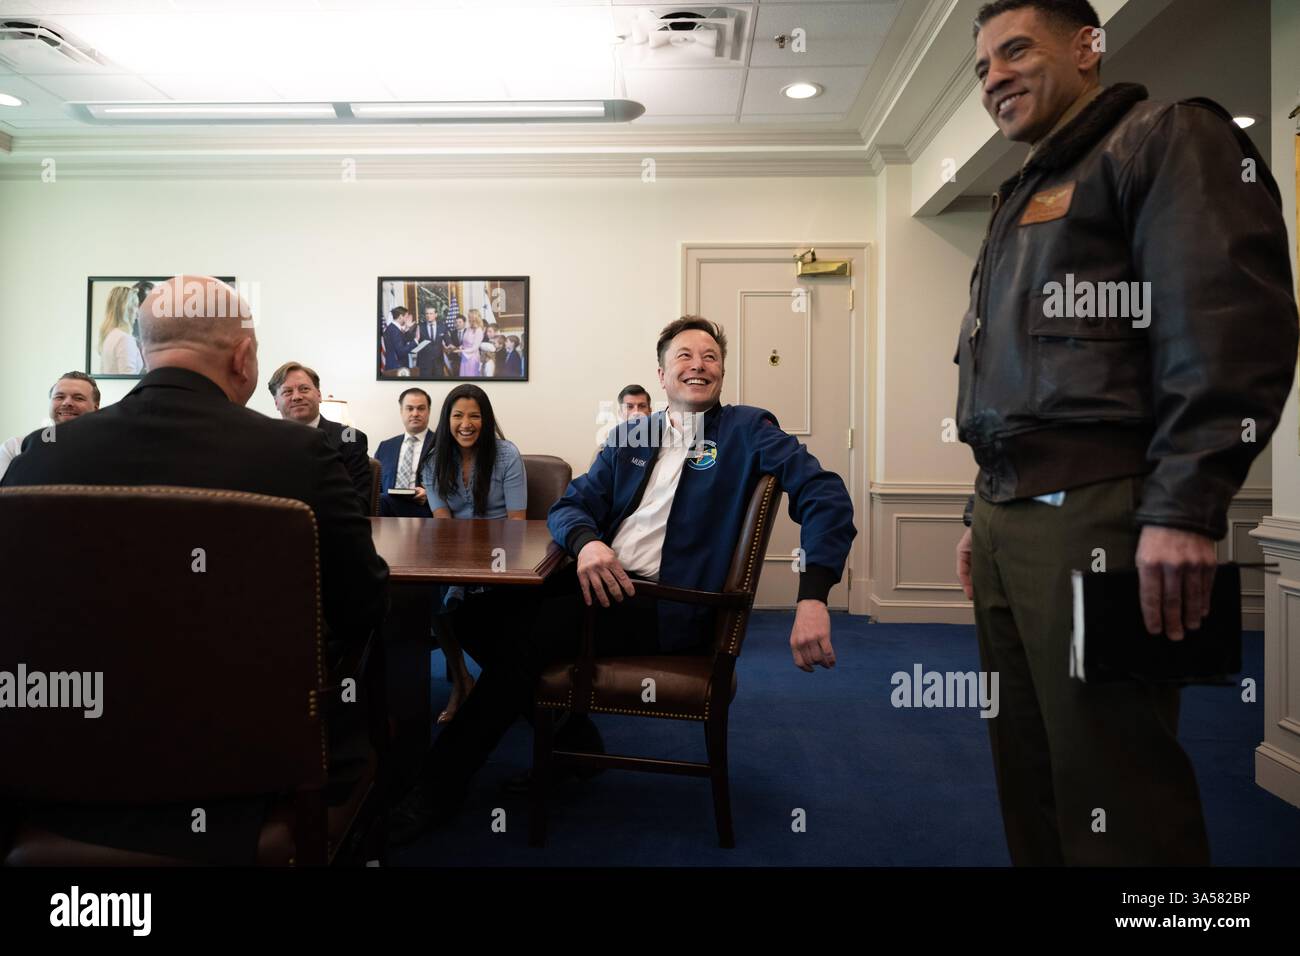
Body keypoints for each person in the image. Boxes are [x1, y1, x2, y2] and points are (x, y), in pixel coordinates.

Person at [954, 0, 1299, 866]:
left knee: (1116, 780)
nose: (993, 76)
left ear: (1087, 45)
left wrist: (1186, 507)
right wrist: (975, 511)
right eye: (981, 66)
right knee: (1028, 767)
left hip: (1104, 511)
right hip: (1006, 515)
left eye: (1014, 50)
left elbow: (1227, 326)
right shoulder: (1018, 194)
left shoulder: (1166, 138)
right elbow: (1012, 381)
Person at [388, 315, 855, 843]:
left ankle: (437, 789)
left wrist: (813, 597)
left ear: (722, 371)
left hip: (669, 604)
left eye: (709, 357)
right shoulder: (633, 434)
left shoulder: (748, 431)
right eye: (684, 356)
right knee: (470, 614)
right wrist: (587, 543)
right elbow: (571, 504)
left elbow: (825, 494)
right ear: (661, 374)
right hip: (602, 582)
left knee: (521, 645)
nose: (697, 365)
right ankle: (574, 737)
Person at [2, 276, 390, 864]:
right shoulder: (302, 457)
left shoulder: (42, 453)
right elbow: (362, 604)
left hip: (60, 761)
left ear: (142, 350)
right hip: (254, 771)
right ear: (243, 357)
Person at [420, 384, 528, 725]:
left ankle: (505, 685)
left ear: (486, 419)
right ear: (447, 420)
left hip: (502, 553)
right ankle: (461, 677)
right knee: (430, 591)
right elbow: (443, 524)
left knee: (483, 605)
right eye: (457, 415)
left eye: (474, 416)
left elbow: (516, 523)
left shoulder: (507, 454)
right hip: (454, 551)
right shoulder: (435, 460)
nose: (466, 423)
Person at [269, 361, 372, 512]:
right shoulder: (266, 441)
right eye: (287, 392)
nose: (296, 397)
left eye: (304, 389)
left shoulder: (350, 437)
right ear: (276, 402)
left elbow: (359, 503)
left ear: (319, 395)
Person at [0, 371, 100, 482]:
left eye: (78, 398)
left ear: (96, 408)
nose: (66, 403)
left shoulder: (107, 448)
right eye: (59, 397)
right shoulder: (14, 448)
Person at [374, 387, 436, 517]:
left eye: (421, 408)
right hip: (386, 509)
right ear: (401, 411)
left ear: (429, 411)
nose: (415, 413)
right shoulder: (385, 447)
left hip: (424, 508)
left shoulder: (441, 444)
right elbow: (375, 485)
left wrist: (430, 494)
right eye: (409, 408)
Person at [97, 285, 145, 375]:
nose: (137, 311)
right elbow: (128, 378)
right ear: (126, 308)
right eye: (135, 306)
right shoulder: (124, 339)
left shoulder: (110, 335)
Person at [382, 306, 415, 373]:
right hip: (397, 367)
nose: (407, 319)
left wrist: (407, 328)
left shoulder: (393, 328)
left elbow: (404, 340)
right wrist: (416, 341)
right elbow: (401, 351)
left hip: (396, 365)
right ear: (400, 317)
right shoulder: (395, 331)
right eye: (406, 317)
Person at [458, 312, 486, 377]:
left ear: (475, 318)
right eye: (468, 317)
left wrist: (462, 351)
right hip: (464, 357)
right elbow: (465, 343)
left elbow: (475, 348)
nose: (468, 319)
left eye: (470, 317)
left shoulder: (479, 331)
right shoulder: (468, 329)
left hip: (472, 358)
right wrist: (460, 347)